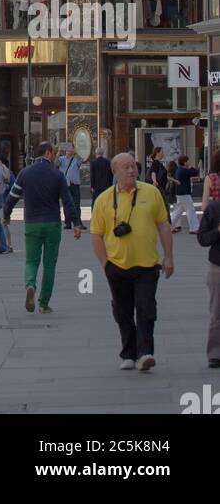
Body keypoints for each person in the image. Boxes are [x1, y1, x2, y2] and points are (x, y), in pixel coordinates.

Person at [90, 150, 173, 371]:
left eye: (133, 166)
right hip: (117, 265)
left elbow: (164, 224)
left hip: (147, 265)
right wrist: (105, 264)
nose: (131, 170)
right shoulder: (104, 199)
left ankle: (145, 353)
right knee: (122, 310)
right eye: (125, 167)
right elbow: (96, 234)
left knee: (146, 308)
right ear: (114, 171)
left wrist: (169, 257)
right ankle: (128, 353)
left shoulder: (151, 192)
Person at [4, 140, 82, 313]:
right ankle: (43, 304)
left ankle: (30, 285)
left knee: (31, 261)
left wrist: (6, 216)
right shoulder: (57, 174)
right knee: (49, 264)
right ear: (47, 153)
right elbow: (68, 201)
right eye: (53, 153)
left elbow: (12, 197)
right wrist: (76, 223)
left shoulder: (25, 173)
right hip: (53, 223)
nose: (55, 156)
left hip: (32, 224)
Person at [196, 176, 220, 367]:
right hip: (218, 266)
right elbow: (202, 238)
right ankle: (215, 353)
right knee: (217, 312)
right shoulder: (214, 209)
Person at [169, 157, 200, 233]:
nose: (189, 162)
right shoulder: (184, 170)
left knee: (177, 211)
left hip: (180, 193)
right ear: (184, 162)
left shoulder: (179, 170)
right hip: (184, 193)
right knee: (190, 210)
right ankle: (194, 228)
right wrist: (190, 167)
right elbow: (195, 172)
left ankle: (168, 226)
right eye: (187, 161)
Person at [56, 143, 82, 230]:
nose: (68, 150)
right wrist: (59, 151)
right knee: (66, 204)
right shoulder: (61, 159)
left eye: (70, 149)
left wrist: (75, 152)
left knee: (76, 204)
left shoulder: (76, 159)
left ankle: (78, 222)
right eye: (67, 149)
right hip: (65, 184)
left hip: (74, 184)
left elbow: (81, 160)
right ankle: (68, 223)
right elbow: (55, 163)